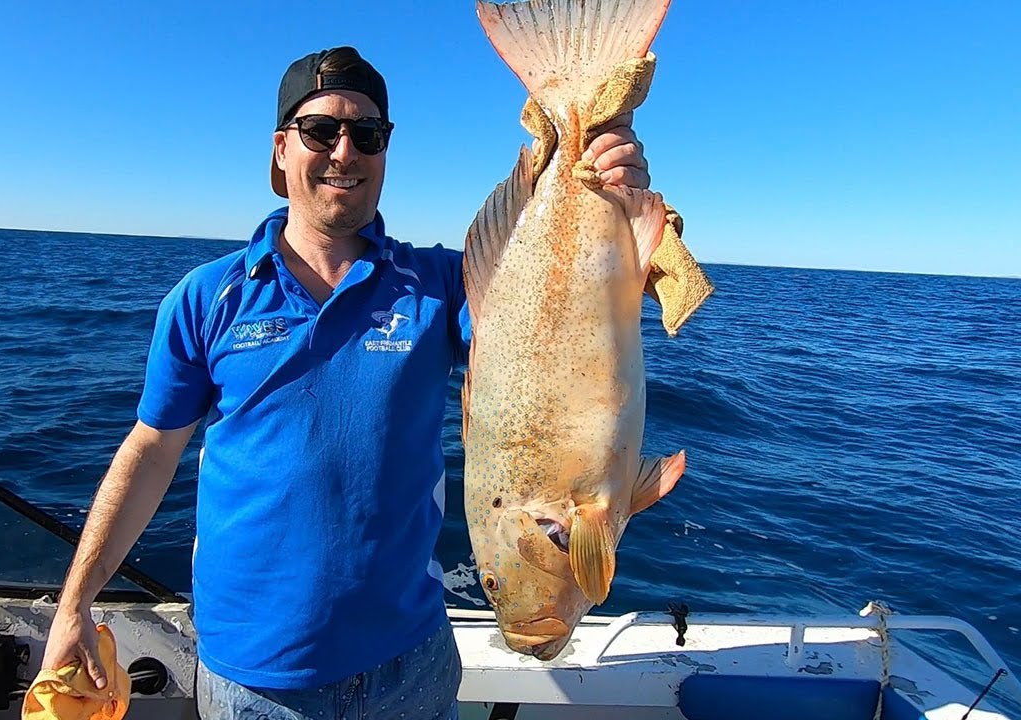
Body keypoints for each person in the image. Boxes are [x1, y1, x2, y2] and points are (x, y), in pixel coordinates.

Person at [41, 45, 652, 720]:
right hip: (256, 685)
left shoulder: (439, 285)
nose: (344, 150)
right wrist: (75, 605)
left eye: (367, 134)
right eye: (319, 130)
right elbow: (151, 453)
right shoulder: (206, 298)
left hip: (411, 668)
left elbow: (562, 328)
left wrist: (610, 189)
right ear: (280, 150)